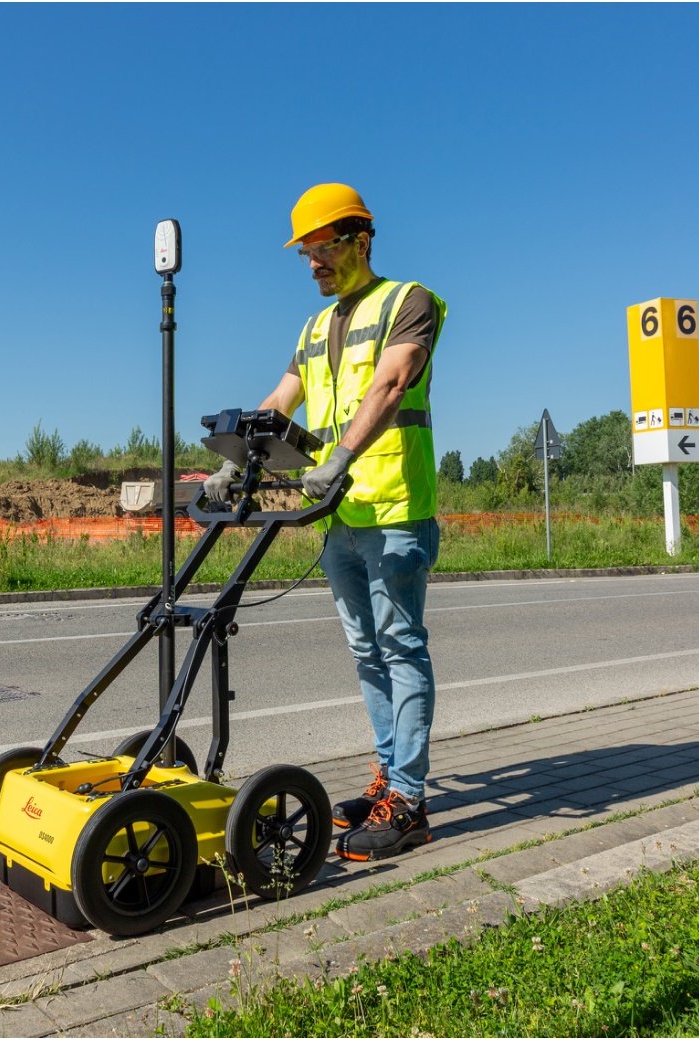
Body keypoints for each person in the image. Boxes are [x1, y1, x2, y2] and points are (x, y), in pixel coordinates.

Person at [205, 183, 446, 861]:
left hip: (395, 506)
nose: (310, 263)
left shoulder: (409, 302)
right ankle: (387, 776)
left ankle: (409, 802)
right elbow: (283, 397)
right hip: (338, 514)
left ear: (360, 240)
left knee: (400, 647)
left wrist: (339, 455)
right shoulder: (313, 328)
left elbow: (392, 383)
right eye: (304, 253)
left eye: (320, 248)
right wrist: (234, 458)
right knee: (367, 652)